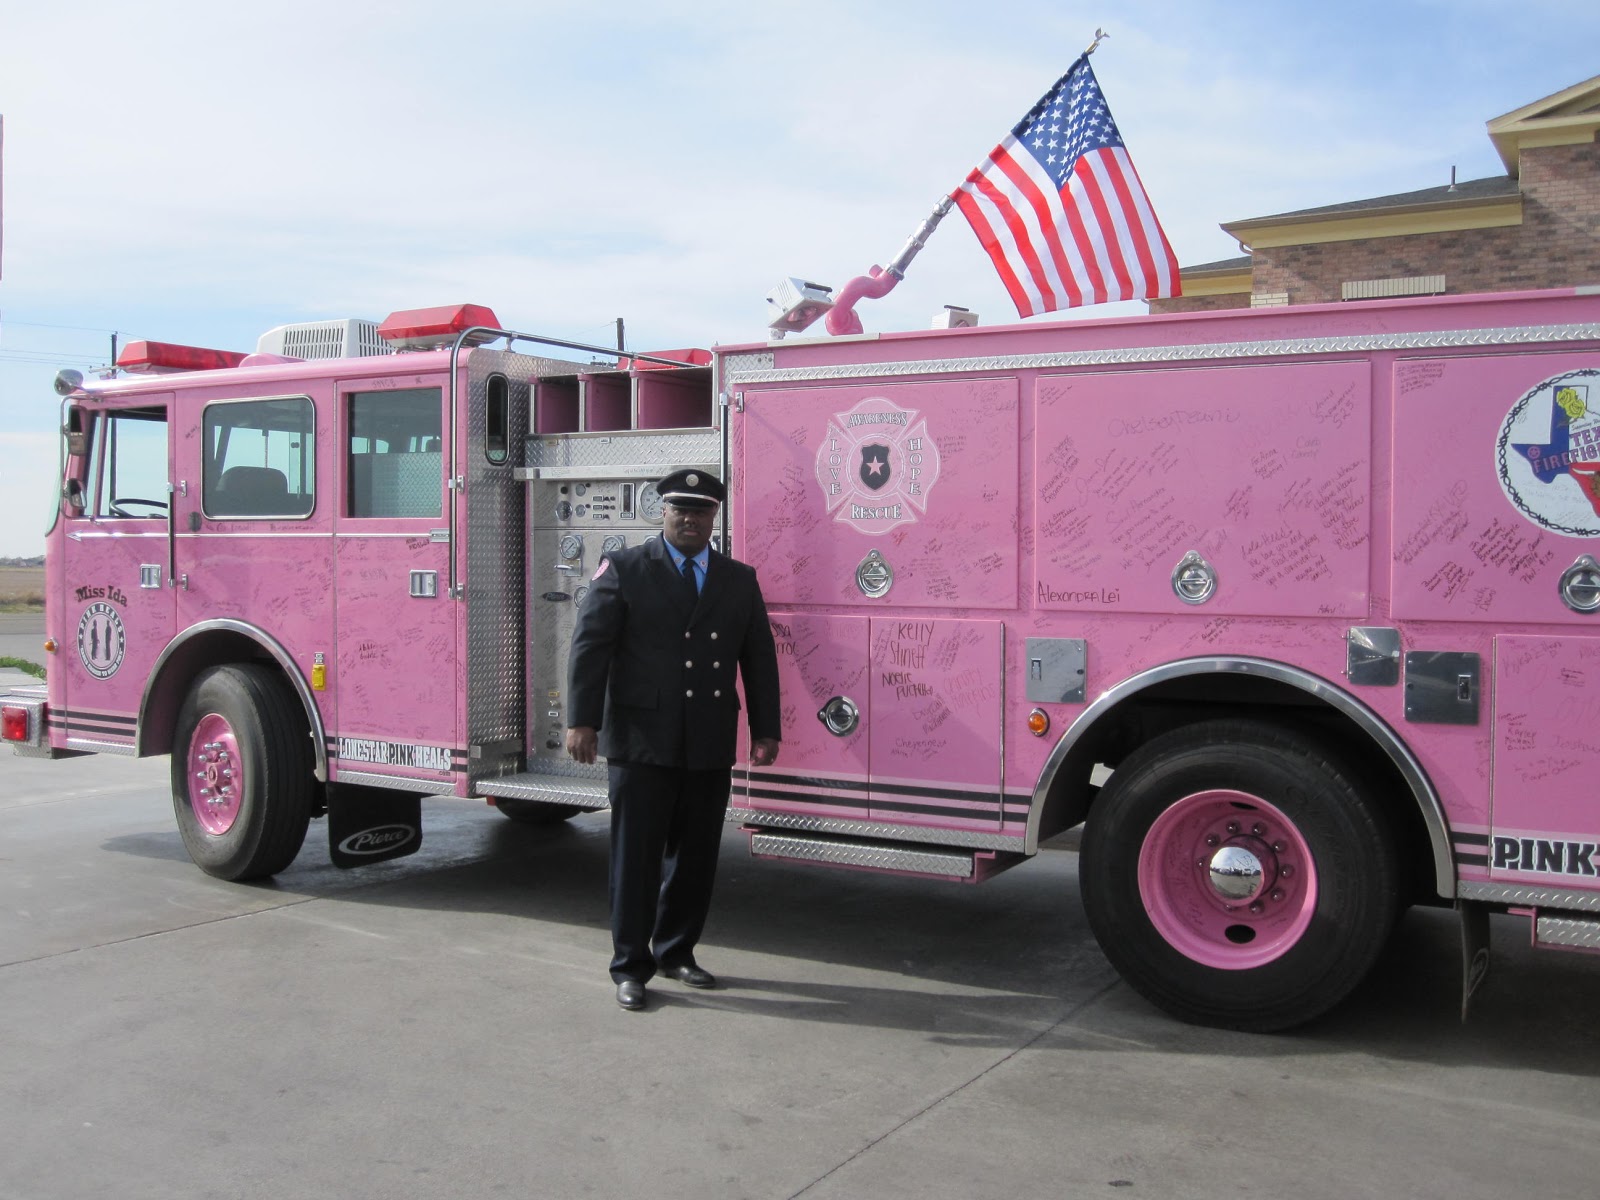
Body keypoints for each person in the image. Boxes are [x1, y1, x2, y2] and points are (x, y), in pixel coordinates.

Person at [565, 467, 781, 1011]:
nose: (690, 519)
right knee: (636, 858)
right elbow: (589, 645)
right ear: (662, 512)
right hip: (642, 740)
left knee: (696, 857)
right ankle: (630, 966)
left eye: (701, 511)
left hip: (708, 736)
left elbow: (758, 657)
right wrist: (582, 721)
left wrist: (765, 728)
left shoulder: (738, 578)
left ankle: (676, 951)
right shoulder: (626, 568)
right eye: (681, 509)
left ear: (715, 517)